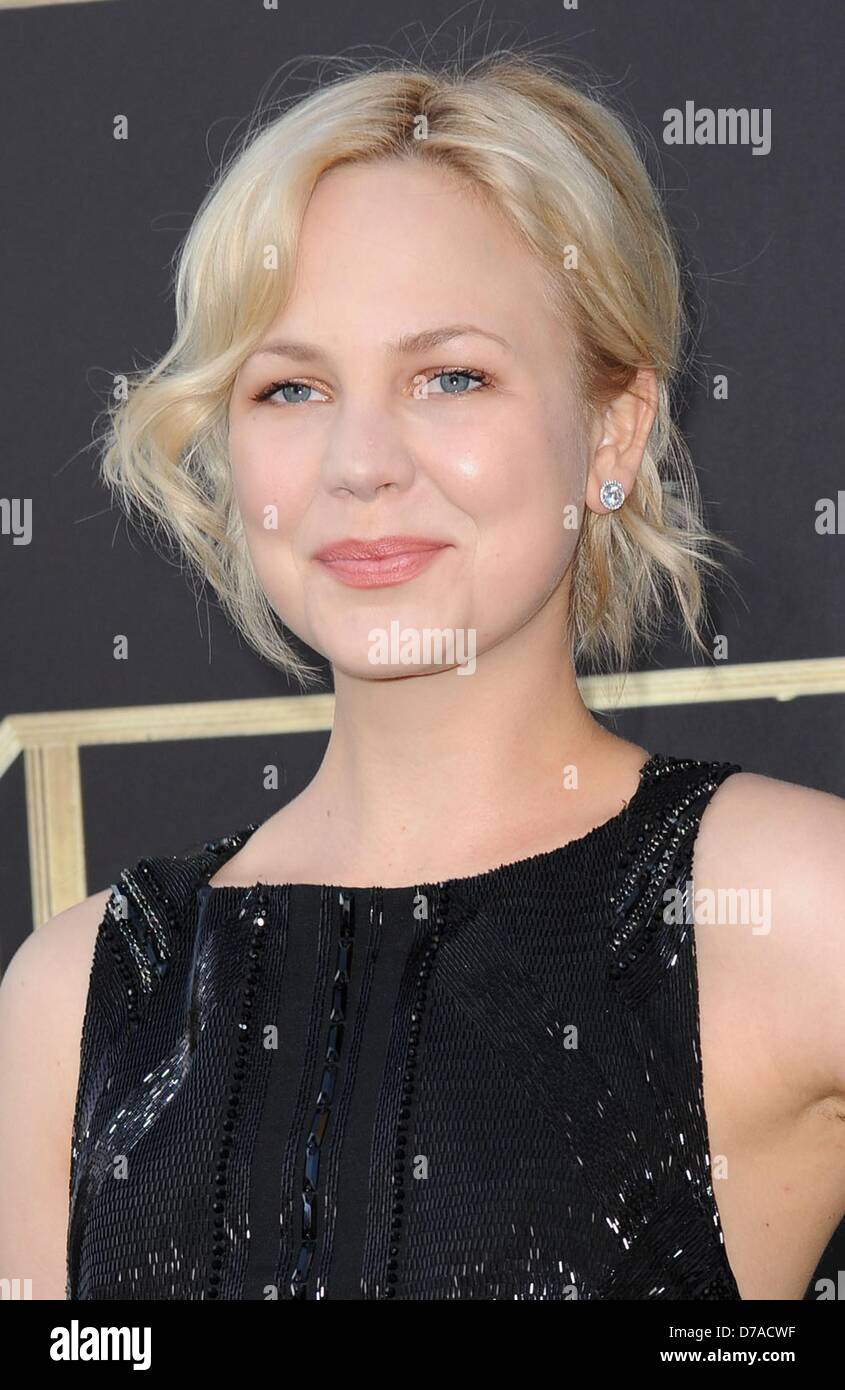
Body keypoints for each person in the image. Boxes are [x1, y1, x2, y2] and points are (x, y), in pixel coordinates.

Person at [1, 52, 843, 1302]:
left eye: (449, 376)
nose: (360, 461)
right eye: (291, 386)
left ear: (611, 429)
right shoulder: (75, 995)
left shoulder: (786, 911)